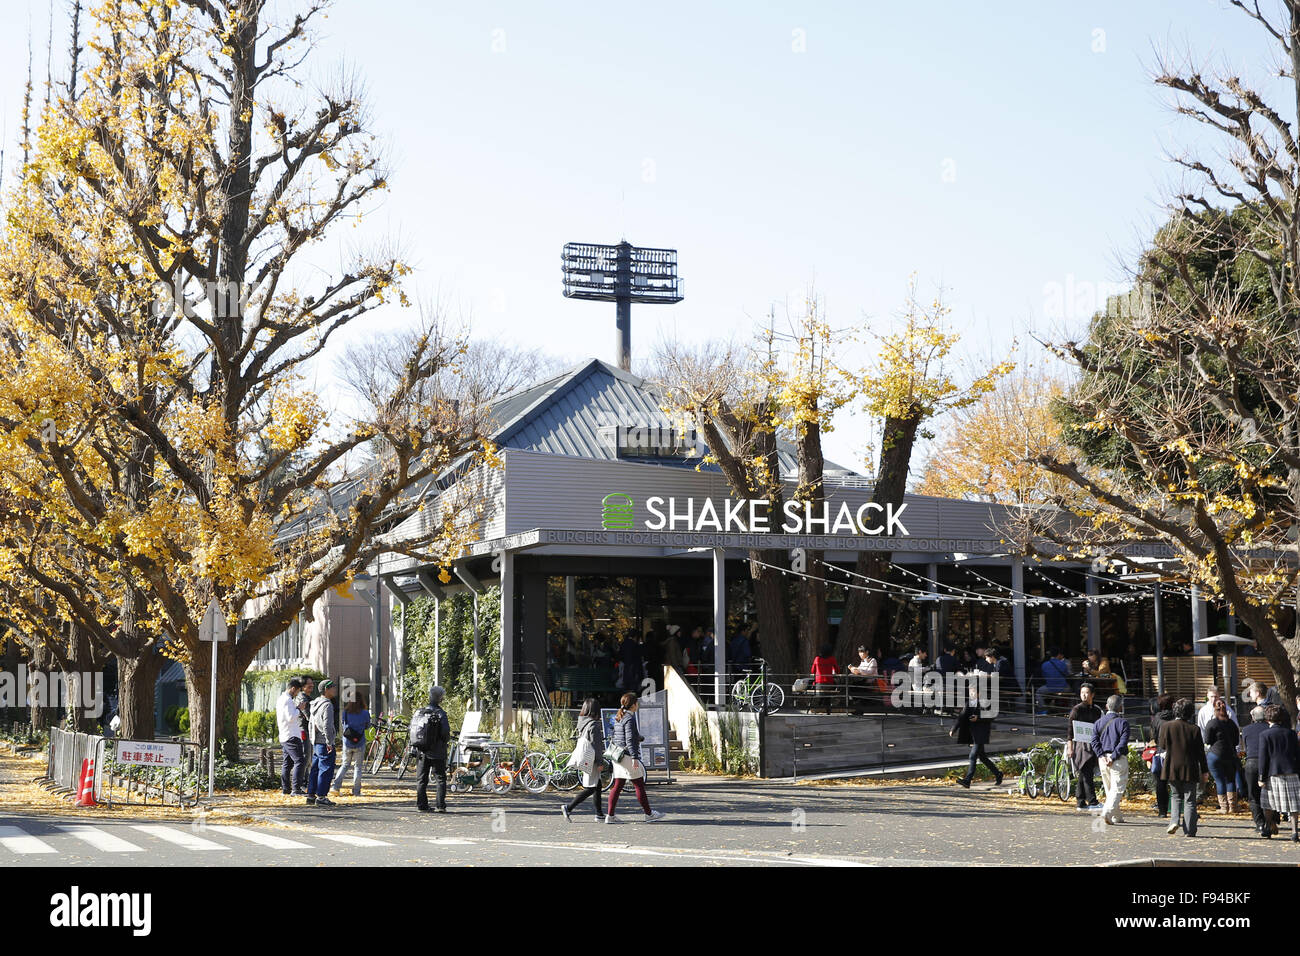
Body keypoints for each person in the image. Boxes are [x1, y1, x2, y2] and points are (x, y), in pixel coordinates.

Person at [606, 692, 664, 823]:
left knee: (617, 785)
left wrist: (638, 737)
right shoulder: (630, 718)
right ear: (633, 705)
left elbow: (620, 735)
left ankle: (610, 816)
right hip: (627, 756)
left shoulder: (619, 717)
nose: (638, 705)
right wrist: (634, 757)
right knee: (639, 785)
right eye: (636, 703)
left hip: (617, 755)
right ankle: (649, 814)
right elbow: (629, 739)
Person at [1159, 698, 1209, 837]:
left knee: (1175, 795)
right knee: (1190, 800)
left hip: (1172, 766)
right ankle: (1190, 830)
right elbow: (1201, 752)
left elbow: (1162, 745)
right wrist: (1205, 770)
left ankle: (1174, 821)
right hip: (1190, 767)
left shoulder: (1166, 726)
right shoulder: (1194, 729)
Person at [1258, 703, 1300, 842]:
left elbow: (1263, 758)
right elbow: (1297, 754)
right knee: (1293, 804)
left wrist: (1261, 777)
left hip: (1273, 773)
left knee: (1268, 803)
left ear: (1267, 718)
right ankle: (1294, 832)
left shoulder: (1265, 734)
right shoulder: (1291, 733)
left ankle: (1268, 827)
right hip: (1291, 771)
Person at [561, 698, 605, 822]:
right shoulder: (594, 725)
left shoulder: (583, 723)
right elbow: (596, 745)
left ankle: (599, 814)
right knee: (591, 787)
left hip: (585, 757)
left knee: (597, 785)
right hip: (592, 759)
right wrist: (600, 762)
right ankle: (568, 807)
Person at [950, 685, 1001, 788]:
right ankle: (998, 774)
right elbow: (961, 717)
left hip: (982, 733)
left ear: (979, 693)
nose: (971, 694)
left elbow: (992, 715)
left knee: (972, 756)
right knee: (982, 757)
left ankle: (967, 780)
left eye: (973, 692)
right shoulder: (969, 703)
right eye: (970, 692)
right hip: (973, 733)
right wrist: (953, 729)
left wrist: (979, 717)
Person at [413, 684, 451, 813]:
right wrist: (445, 742)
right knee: (440, 778)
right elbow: (445, 733)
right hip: (437, 751)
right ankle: (440, 805)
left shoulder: (420, 712)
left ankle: (422, 805)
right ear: (440, 698)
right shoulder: (441, 713)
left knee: (421, 779)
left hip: (422, 750)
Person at [1094, 695, 1130, 825]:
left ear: (1106, 706)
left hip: (1102, 759)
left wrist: (1102, 756)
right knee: (1117, 788)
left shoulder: (1098, 722)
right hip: (1118, 758)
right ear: (1120, 707)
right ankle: (1107, 812)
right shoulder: (1123, 723)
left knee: (1109, 789)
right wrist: (1113, 756)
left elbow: (1094, 741)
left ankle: (1117, 817)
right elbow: (1123, 743)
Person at [1066, 683, 1103, 810]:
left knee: (1084, 772)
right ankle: (1092, 801)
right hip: (1081, 745)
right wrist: (1070, 746)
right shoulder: (1077, 709)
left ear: (1093, 694)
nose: (1084, 695)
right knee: (1087, 772)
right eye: (1082, 693)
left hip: (1092, 744)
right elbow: (1070, 730)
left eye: (1087, 693)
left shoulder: (1097, 710)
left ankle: (1080, 801)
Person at [1202, 695, 1241, 814]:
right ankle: (1233, 806)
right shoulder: (1232, 724)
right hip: (1230, 755)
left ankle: (1224, 808)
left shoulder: (1212, 723)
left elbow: (1208, 740)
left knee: (1219, 781)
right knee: (1230, 780)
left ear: (1215, 709)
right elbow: (1236, 741)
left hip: (1215, 755)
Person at [306, 679, 339, 806]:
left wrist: (312, 739)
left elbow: (311, 723)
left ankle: (311, 795)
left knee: (315, 768)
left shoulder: (314, 703)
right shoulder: (327, 705)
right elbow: (327, 725)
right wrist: (329, 742)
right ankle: (321, 796)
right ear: (326, 689)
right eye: (333, 687)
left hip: (316, 741)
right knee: (326, 769)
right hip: (324, 742)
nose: (335, 689)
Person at [333, 692, 371, 798]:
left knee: (345, 765)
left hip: (347, 742)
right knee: (358, 767)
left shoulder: (345, 712)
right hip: (360, 742)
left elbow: (343, 724)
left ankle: (335, 787)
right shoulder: (365, 713)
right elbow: (367, 726)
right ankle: (356, 791)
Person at [1241, 705, 1270, 837]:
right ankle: (1270, 821)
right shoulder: (1269, 729)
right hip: (1268, 763)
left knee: (1253, 795)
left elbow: (1245, 747)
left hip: (1251, 762)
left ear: (1252, 717)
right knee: (1269, 793)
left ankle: (1259, 823)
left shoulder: (1246, 730)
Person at [276, 678, 308, 796]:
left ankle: (286, 788)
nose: (297, 694)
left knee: (287, 763)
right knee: (300, 761)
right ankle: (296, 788)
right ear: (293, 689)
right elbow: (291, 717)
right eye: (297, 691)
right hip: (291, 735)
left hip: (285, 734)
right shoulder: (288, 700)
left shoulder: (281, 699)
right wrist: (299, 708)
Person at [1148, 693, 1176, 818]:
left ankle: (1162, 811)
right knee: (1176, 783)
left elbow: (1153, 737)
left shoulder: (1157, 719)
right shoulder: (1177, 717)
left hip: (1160, 752)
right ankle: (1176, 809)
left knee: (1160, 783)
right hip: (1176, 753)